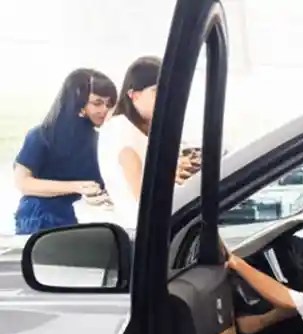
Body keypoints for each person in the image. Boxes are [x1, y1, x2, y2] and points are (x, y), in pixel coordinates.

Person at [11, 69, 117, 234]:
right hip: (42, 218)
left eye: (109, 104)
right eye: (97, 103)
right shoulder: (41, 136)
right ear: (77, 102)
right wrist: (76, 187)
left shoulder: (102, 140)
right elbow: (23, 183)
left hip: (84, 219)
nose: (105, 110)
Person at [97, 56, 195, 229]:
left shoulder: (139, 128)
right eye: (157, 91)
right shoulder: (123, 132)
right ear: (133, 95)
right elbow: (145, 199)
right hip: (147, 233)